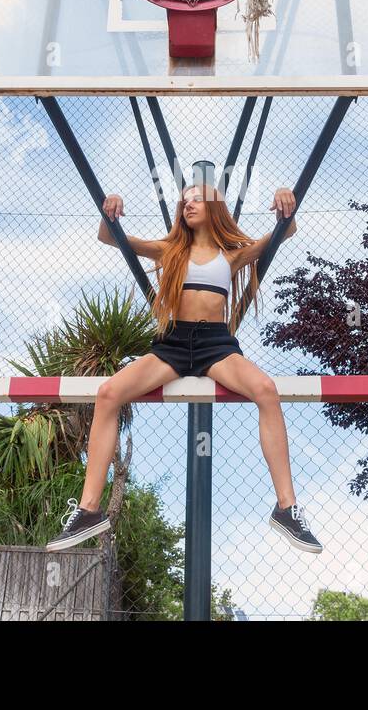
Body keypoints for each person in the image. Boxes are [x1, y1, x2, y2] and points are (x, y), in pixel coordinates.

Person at [45, 181, 322, 554]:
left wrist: (285, 199)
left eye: (197, 199)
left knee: (266, 390)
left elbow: (284, 230)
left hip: (217, 345)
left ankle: (287, 508)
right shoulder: (170, 250)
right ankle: (90, 510)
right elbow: (110, 238)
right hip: (173, 344)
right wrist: (110, 206)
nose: (188, 204)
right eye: (184, 200)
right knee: (108, 393)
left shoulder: (232, 254)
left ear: (214, 206)